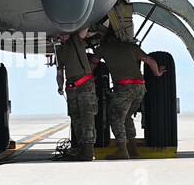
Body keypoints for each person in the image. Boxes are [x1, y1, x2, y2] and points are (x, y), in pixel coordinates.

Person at [96, 31, 165, 160]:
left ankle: (122, 150)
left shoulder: (103, 48)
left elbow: (93, 62)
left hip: (124, 88)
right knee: (127, 116)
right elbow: (149, 60)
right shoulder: (131, 47)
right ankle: (133, 148)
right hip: (140, 88)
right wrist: (157, 74)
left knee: (116, 117)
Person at [55, 29, 97, 161]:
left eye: (64, 33)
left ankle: (88, 151)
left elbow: (85, 28)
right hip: (71, 87)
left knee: (87, 116)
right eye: (60, 35)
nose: (63, 36)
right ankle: (81, 148)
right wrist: (60, 86)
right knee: (75, 117)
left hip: (85, 85)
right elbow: (60, 72)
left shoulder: (76, 40)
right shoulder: (60, 51)